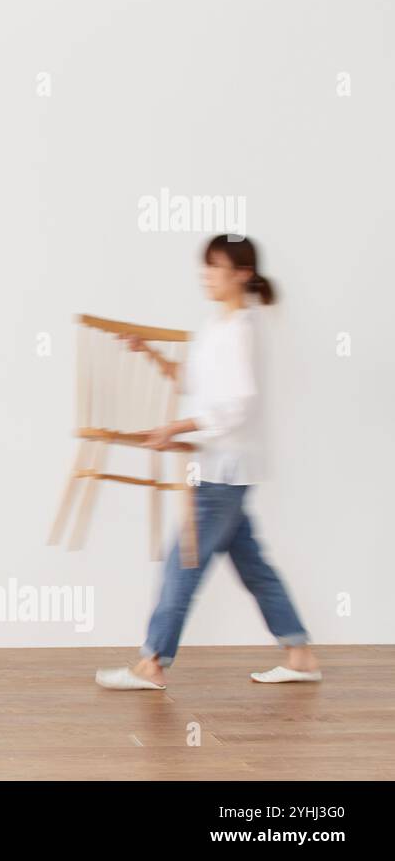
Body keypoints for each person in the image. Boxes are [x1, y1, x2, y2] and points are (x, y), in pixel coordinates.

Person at [95, 234, 320, 690]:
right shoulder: (218, 325)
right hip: (225, 468)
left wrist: (174, 430)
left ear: (241, 273)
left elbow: (238, 404)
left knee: (184, 562)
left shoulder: (243, 329)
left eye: (215, 267)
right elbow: (194, 383)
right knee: (253, 565)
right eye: (205, 266)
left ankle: (152, 663)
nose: (206, 274)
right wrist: (150, 352)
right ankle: (299, 654)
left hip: (226, 468)